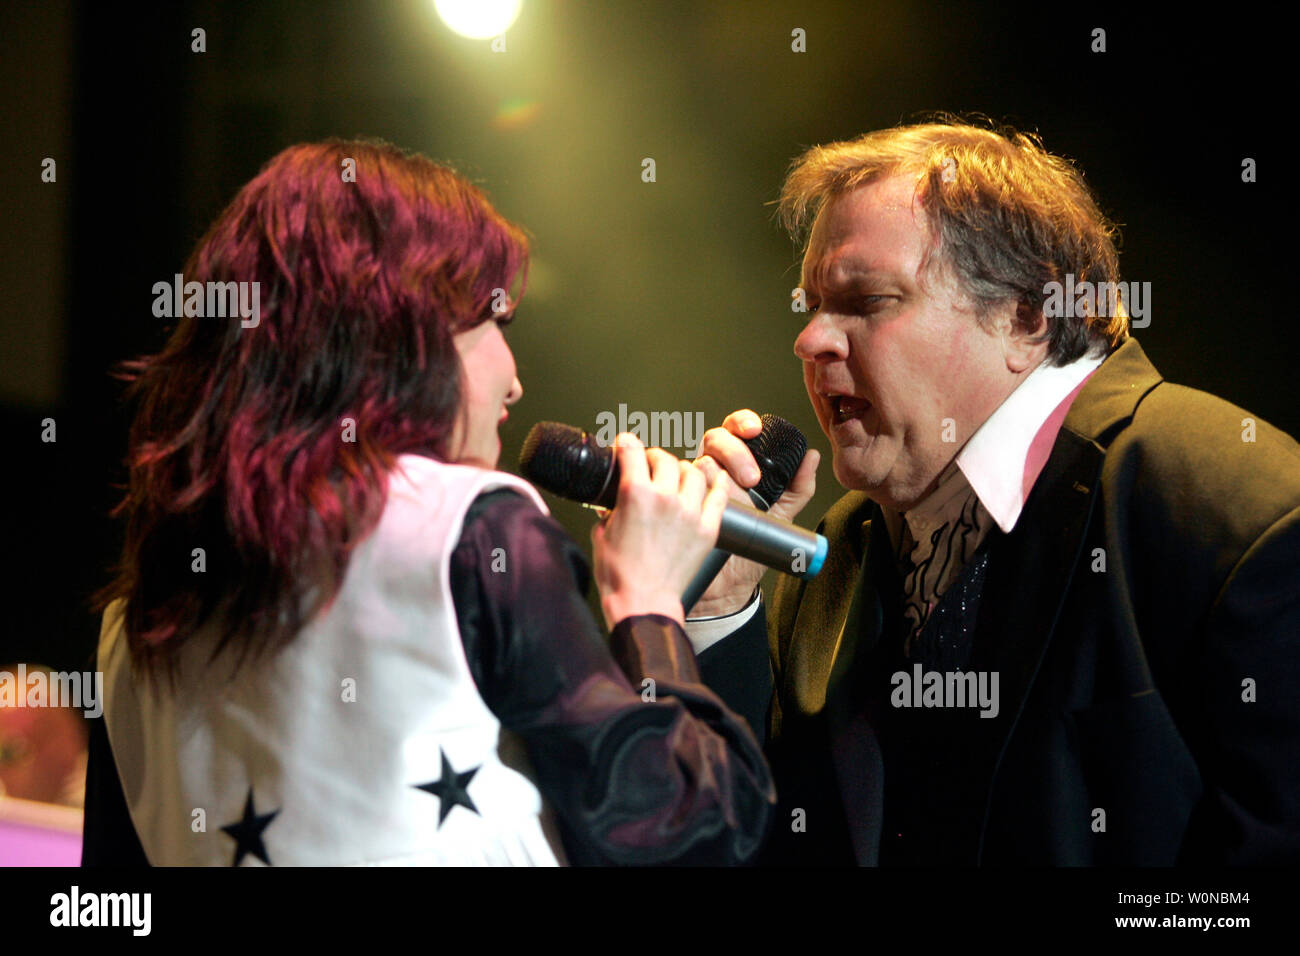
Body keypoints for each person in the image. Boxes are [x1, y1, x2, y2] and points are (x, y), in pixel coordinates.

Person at [82, 139, 774, 867]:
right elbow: (689, 825)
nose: (514, 383)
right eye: (494, 324)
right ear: (398, 330)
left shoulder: (136, 621)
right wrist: (648, 602)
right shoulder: (471, 526)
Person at [689, 119, 1300, 865]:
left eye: (867, 300)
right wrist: (720, 613)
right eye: (812, 303)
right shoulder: (840, 553)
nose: (811, 339)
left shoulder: (1234, 509)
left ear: (1027, 316)